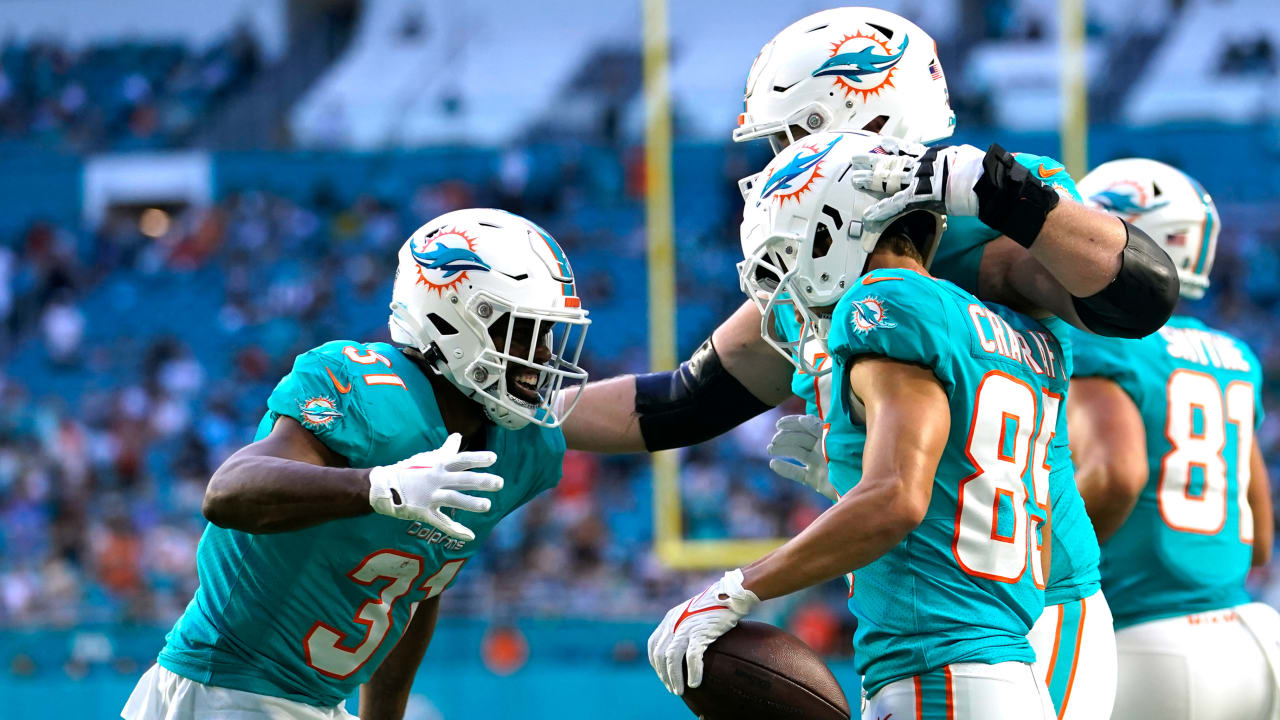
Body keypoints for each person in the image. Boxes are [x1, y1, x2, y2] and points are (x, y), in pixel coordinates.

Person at [566, 10, 1163, 717]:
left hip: (1030, 606)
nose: (776, 163)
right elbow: (678, 401)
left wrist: (1000, 192)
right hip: (941, 598)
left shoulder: (972, 230)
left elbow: (1139, 294)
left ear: (866, 118)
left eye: (792, 134)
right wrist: (510, 412)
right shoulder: (834, 274)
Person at [650, 130, 1064, 718]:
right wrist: (854, 475)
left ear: (832, 229)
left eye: (787, 255)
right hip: (1003, 670)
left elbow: (897, 496)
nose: (784, 287)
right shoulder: (1018, 333)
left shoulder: (885, 299)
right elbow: (956, 484)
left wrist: (738, 588)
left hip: (939, 678)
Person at [121, 209, 590, 720]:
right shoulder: (364, 390)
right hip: (221, 691)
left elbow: (414, 595)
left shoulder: (509, 445)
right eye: (523, 332)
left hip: (311, 704)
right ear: (453, 317)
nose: (541, 355)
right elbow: (228, 491)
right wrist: (379, 486)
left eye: (545, 334)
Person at [1069, 159, 1279, 720]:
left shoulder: (1106, 345)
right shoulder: (1234, 355)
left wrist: (1038, 561)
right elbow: (1258, 537)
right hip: (1248, 635)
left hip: (1146, 641)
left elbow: (1116, 475)